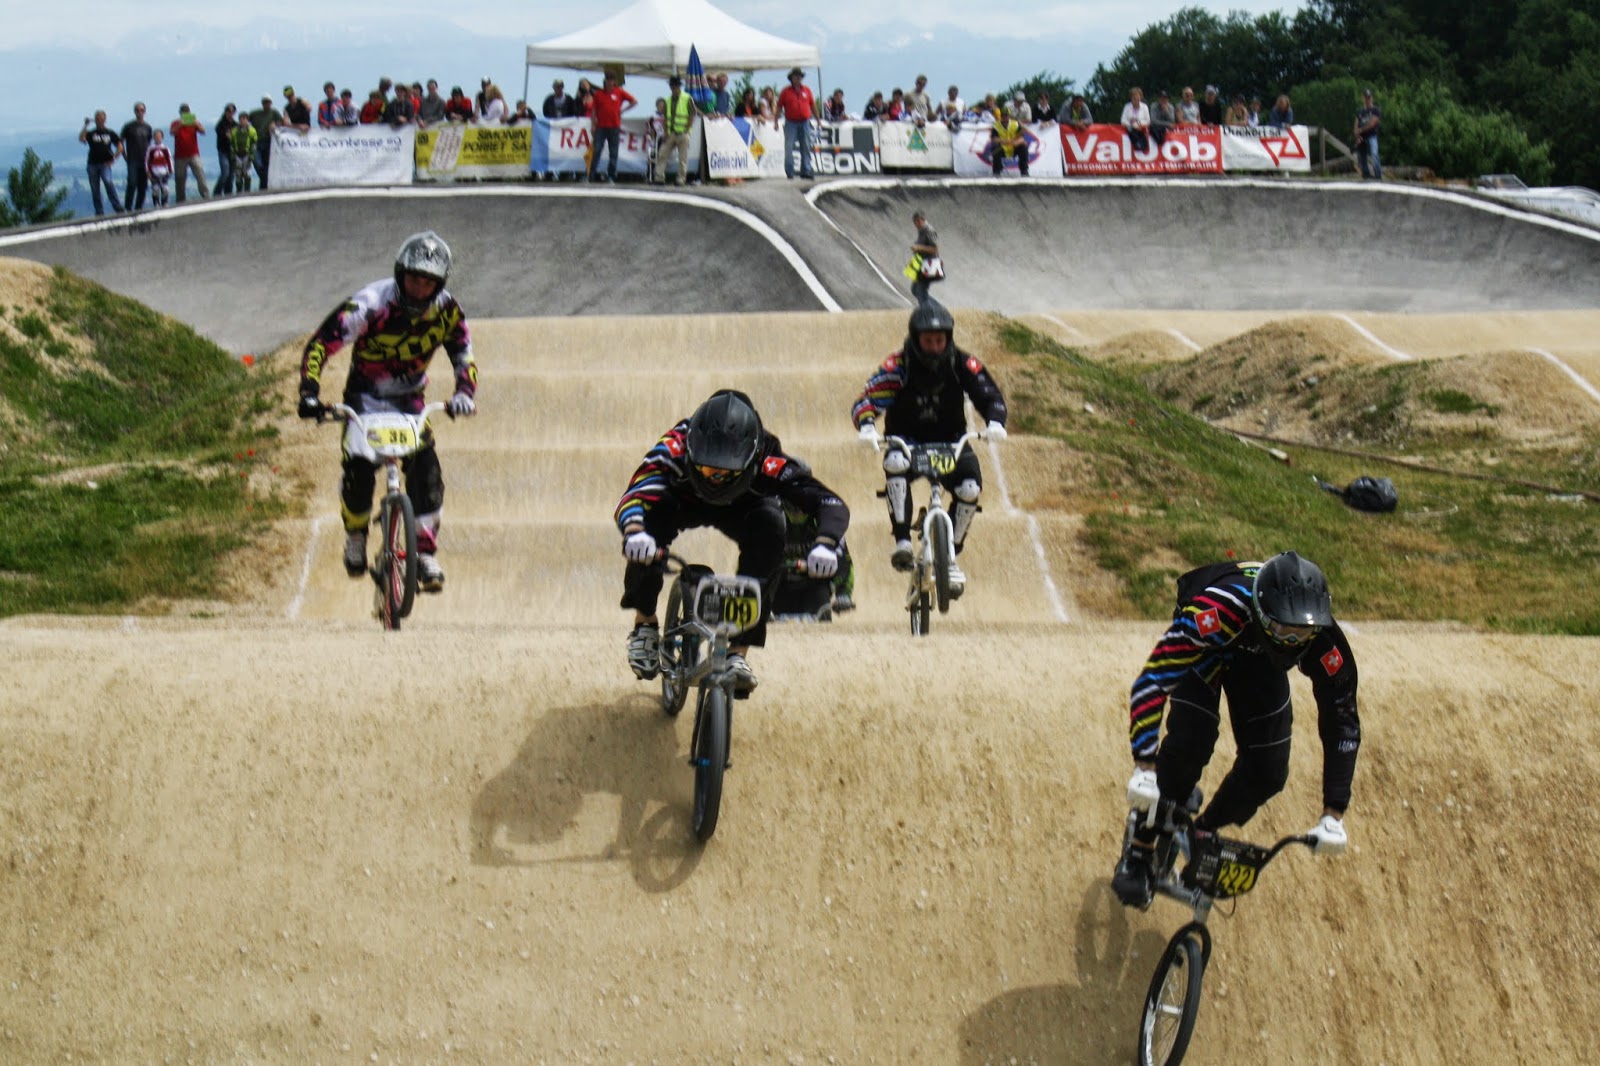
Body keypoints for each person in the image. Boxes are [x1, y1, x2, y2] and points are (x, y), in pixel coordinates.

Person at [1111, 551, 1360, 908]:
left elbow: (1343, 719)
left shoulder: (1319, 634)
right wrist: (1145, 767)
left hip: (1259, 661)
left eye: (1301, 634)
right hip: (1211, 648)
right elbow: (1154, 681)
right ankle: (1140, 848)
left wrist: (1333, 814)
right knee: (1191, 741)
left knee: (1269, 771)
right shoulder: (1218, 611)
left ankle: (1203, 831)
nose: (1292, 641)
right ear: (1261, 613)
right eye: (1283, 631)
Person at [616, 390, 849, 693]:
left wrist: (826, 543)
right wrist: (635, 531)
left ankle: (738, 655)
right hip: (681, 501)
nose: (714, 478)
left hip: (745, 508)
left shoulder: (768, 458)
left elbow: (830, 503)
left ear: (750, 460)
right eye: (707, 469)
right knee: (648, 531)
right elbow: (636, 493)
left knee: (772, 530)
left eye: (726, 472)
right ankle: (644, 624)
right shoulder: (674, 446)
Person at [297, 232, 477, 594]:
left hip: (411, 401)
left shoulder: (447, 310)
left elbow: (463, 354)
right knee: (359, 469)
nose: (419, 289)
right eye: (413, 278)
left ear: (439, 284)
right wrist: (310, 392)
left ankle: (424, 553)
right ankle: (356, 536)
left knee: (426, 469)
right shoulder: (370, 303)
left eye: (428, 283)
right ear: (400, 273)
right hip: (365, 397)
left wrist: (465, 392)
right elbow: (321, 343)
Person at [851, 301, 1007, 592]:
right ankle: (902, 542)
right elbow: (868, 399)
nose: (935, 347)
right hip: (907, 442)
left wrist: (996, 422)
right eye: (928, 340)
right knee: (894, 464)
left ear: (948, 338)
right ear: (915, 338)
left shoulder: (962, 364)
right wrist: (867, 425)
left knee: (970, 489)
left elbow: (989, 395)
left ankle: (951, 556)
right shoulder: (898, 366)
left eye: (940, 340)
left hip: (952, 442)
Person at [774, 497, 856, 618]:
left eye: (802, 507)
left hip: (815, 589)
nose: (797, 511)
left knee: (821, 611)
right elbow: (752, 555)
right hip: (777, 589)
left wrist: (843, 594)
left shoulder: (825, 522)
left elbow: (843, 560)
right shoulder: (772, 518)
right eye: (793, 506)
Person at [588, 72, 636, 182]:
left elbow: (634, 101)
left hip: (614, 127)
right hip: (601, 126)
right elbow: (594, 110)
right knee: (597, 150)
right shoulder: (599, 94)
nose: (609, 82)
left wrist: (622, 110)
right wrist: (593, 124)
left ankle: (611, 175)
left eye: (611, 80)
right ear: (605, 81)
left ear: (614, 82)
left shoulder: (619, 92)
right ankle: (592, 174)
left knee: (613, 152)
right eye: (608, 80)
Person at [79, 111, 124, 216]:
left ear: (105, 120)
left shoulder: (110, 133)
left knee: (108, 182)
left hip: (105, 164)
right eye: (98, 119)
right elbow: (82, 139)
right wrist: (86, 125)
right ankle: (99, 211)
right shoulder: (91, 133)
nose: (100, 121)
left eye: (101, 119)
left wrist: (114, 158)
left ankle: (117, 206)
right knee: (95, 188)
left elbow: (120, 147)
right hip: (92, 164)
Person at [658, 75, 698, 186]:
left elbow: (692, 115)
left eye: (675, 85)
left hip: (682, 133)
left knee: (682, 158)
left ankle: (681, 178)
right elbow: (665, 118)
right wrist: (665, 132)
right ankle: (659, 176)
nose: (673, 87)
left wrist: (686, 129)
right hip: (671, 133)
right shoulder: (668, 100)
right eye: (672, 85)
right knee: (662, 154)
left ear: (679, 86)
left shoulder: (687, 98)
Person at [777, 67, 816, 180]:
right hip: (791, 122)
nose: (798, 78)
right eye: (795, 76)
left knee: (806, 146)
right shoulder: (786, 91)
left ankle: (806, 170)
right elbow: (779, 106)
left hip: (805, 121)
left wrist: (817, 118)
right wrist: (775, 120)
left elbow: (812, 105)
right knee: (789, 146)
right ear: (791, 78)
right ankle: (789, 171)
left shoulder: (807, 90)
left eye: (799, 76)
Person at [168, 103, 208, 202]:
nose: (185, 114)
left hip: (193, 154)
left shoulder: (194, 122)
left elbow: (203, 131)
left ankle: (206, 196)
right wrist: (180, 125)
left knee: (200, 174)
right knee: (180, 179)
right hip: (180, 155)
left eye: (187, 112)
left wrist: (196, 124)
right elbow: (172, 132)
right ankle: (180, 200)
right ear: (180, 113)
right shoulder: (175, 123)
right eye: (183, 112)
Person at [120, 102, 153, 210]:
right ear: (135, 112)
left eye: (142, 110)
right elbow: (120, 142)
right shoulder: (128, 126)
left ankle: (138, 208)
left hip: (144, 160)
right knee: (132, 183)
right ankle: (127, 208)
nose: (140, 112)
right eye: (138, 110)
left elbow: (149, 143)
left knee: (143, 186)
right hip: (132, 159)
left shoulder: (148, 127)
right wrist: (124, 155)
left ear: (145, 112)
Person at [907, 209, 942, 304]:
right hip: (921, 263)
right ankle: (938, 308)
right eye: (915, 223)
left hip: (930, 264)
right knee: (915, 290)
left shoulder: (928, 231)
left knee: (921, 292)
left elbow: (934, 249)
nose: (916, 225)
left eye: (917, 222)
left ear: (922, 220)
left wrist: (918, 247)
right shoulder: (922, 231)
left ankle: (928, 313)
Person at [247, 96, 282, 189]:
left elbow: (282, 122)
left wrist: (275, 124)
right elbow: (245, 120)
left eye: (268, 102)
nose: (267, 104)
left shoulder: (274, 113)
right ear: (262, 103)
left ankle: (263, 187)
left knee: (267, 166)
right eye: (265, 102)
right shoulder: (255, 113)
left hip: (268, 142)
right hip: (256, 142)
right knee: (258, 164)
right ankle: (264, 184)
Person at [988, 105, 1029, 176]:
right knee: (994, 149)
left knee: (1023, 147)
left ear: (1009, 116)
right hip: (1002, 147)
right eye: (1003, 116)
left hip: (1014, 147)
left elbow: (1022, 138)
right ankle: (997, 171)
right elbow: (994, 139)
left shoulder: (1015, 124)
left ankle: (1024, 171)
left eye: (1006, 116)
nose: (1005, 118)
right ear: (1001, 116)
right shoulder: (996, 125)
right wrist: (1007, 141)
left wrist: (1016, 142)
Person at [1355, 89, 1382, 180]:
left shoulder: (1375, 110)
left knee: (1374, 153)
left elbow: (1372, 123)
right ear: (1363, 98)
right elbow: (1355, 126)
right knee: (1362, 156)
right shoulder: (1360, 112)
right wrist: (1357, 136)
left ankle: (1378, 174)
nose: (1367, 100)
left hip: (1372, 135)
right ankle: (1366, 175)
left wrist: (1361, 130)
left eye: (1369, 98)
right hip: (1362, 136)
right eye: (1366, 98)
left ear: (1372, 98)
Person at [229, 114, 258, 193]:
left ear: (247, 120)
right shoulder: (235, 130)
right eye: (240, 119)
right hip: (237, 155)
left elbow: (254, 144)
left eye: (244, 119)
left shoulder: (252, 131)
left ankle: (247, 190)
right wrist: (233, 155)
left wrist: (251, 155)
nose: (242, 121)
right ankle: (239, 191)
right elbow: (231, 143)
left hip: (247, 154)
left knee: (247, 173)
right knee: (238, 174)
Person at [214, 103, 238, 196]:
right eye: (228, 111)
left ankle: (228, 193)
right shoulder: (221, 124)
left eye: (232, 111)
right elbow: (224, 135)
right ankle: (217, 192)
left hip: (233, 152)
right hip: (223, 151)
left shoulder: (235, 124)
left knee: (231, 175)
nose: (230, 113)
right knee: (225, 172)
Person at [144, 130, 173, 207]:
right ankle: (156, 202)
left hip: (164, 171)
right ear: (153, 138)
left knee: (165, 188)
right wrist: (148, 171)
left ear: (162, 137)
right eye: (156, 136)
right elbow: (147, 161)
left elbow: (169, 159)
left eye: (159, 136)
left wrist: (170, 170)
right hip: (154, 172)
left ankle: (165, 202)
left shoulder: (165, 149)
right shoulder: (151, 149)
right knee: (155, 189)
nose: (157, 138)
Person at [1120, 87, 1151, 154]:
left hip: (1142, 130)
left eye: (1137, 96)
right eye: (1133, 96)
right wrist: (1132, 125)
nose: (1135, 98)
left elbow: (1148, 120)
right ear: (1131, 97)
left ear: (1140, 97)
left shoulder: (1144, 107)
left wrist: (1139, 123)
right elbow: (1123, 120)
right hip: (1130, 130)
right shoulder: (1127, 106)